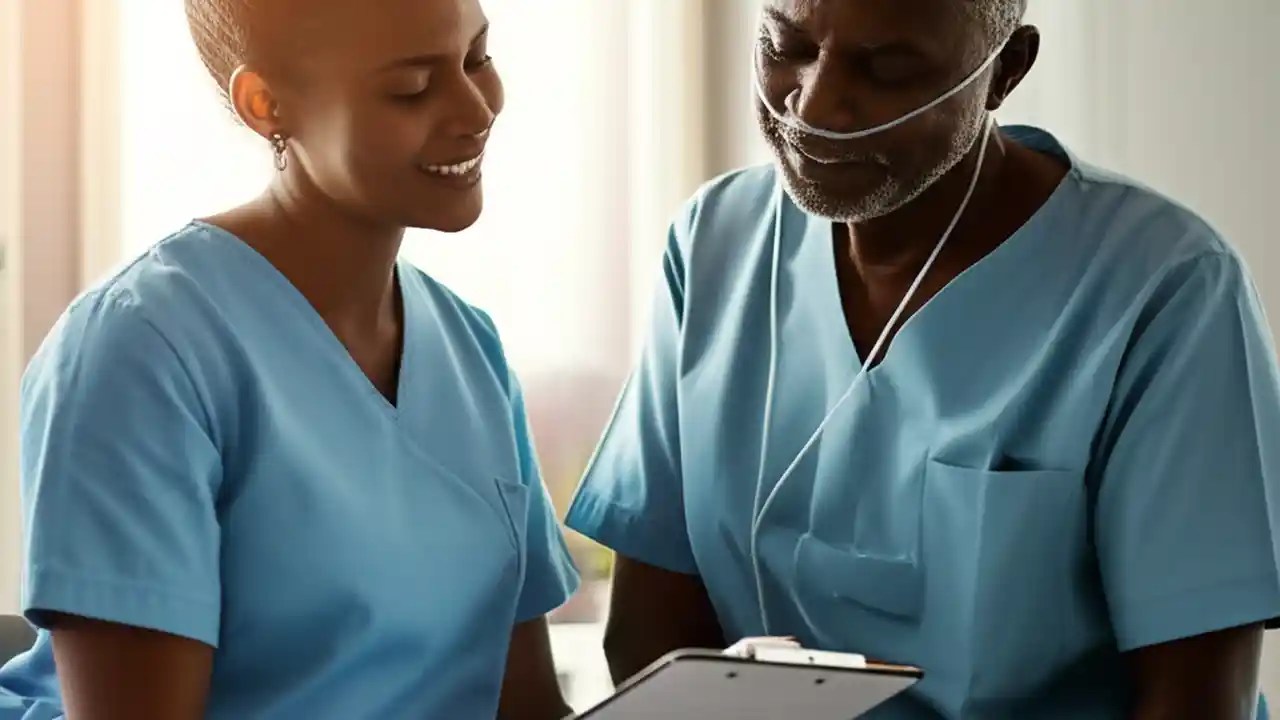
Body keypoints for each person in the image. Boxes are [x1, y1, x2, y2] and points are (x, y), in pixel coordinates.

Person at [567, 0, 1280, 717]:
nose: (817, 107)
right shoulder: (714, 244)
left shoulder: (1162, 287)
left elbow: (1195, 698)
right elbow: (648, 642)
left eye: (889, 69)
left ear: (1004, 71)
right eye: (786, 46)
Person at [0, 0, 579, 718]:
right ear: (265, 103)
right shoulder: (142, 351)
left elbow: (523, 705)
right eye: (411, 88)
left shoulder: (471, 351)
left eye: (477, 59)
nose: (475, 108)